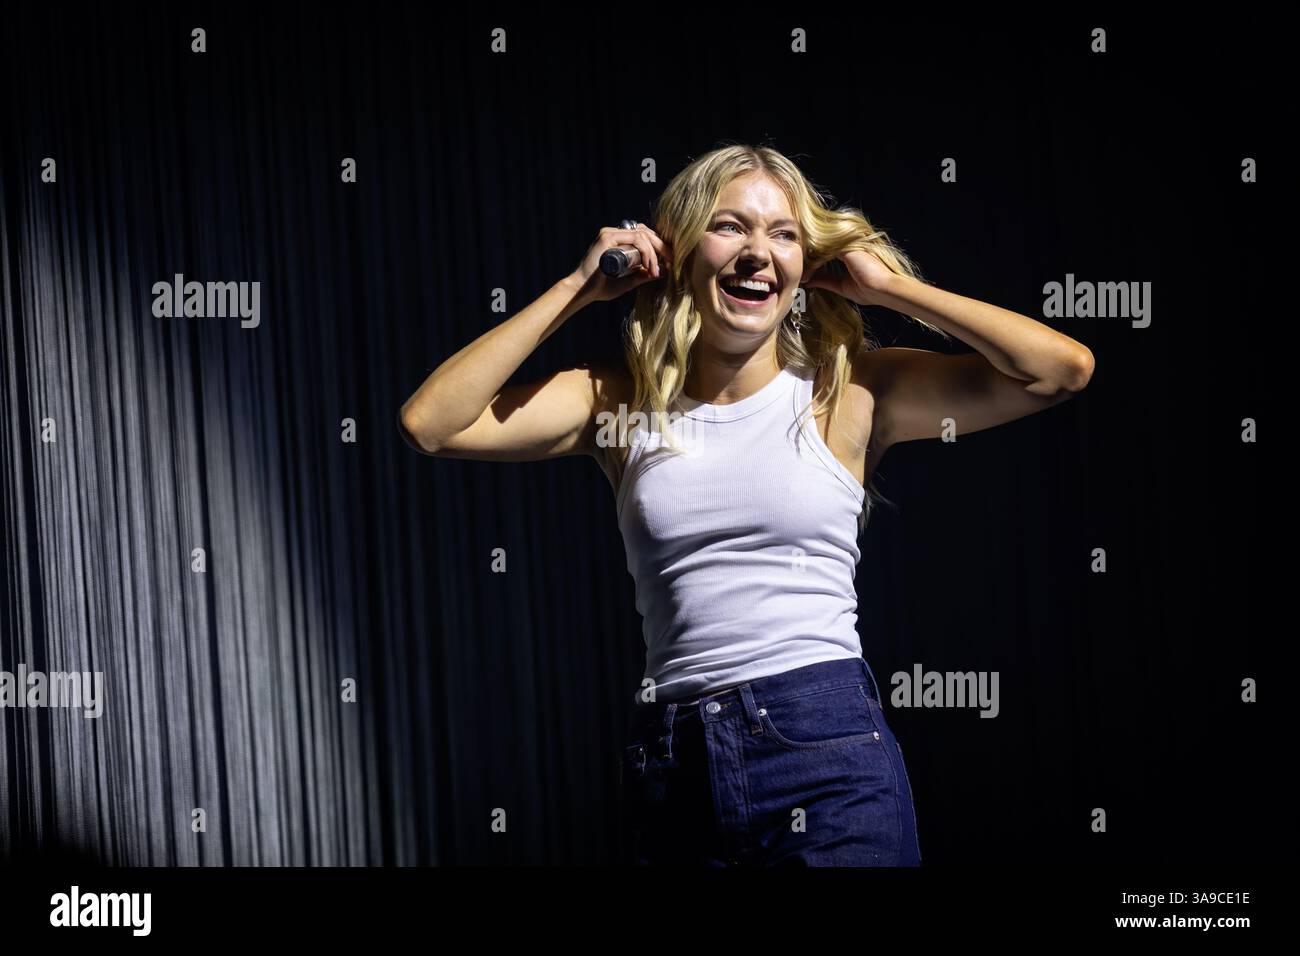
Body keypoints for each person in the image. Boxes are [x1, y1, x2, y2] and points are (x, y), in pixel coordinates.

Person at [398, 144, 1095, 866]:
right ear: (677, 250)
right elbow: (432, 424)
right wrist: (579, 287)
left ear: (805, 267)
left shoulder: (847, 392)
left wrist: (888, 290)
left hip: (824, 752)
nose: (758, 252)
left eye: (784, 234)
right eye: (731, 226)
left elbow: (1060, 371)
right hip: (675, 763)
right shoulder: (618, 402)